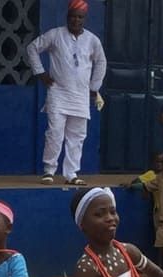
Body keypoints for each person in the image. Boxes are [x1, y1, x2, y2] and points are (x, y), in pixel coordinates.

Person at [26, 0, 107, 186]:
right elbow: (32, 48)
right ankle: (49, 171)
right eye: (73, 16)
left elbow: (101, 62)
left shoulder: (92, 40)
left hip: (80, 96)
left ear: (84, 19)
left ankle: (71, 173)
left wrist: (94, 87)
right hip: (58, 93)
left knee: (77, 136)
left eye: (80, 17)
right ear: (67, 17)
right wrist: (40, 72)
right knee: (54, 133)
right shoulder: (55, 35)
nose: (76, 20)